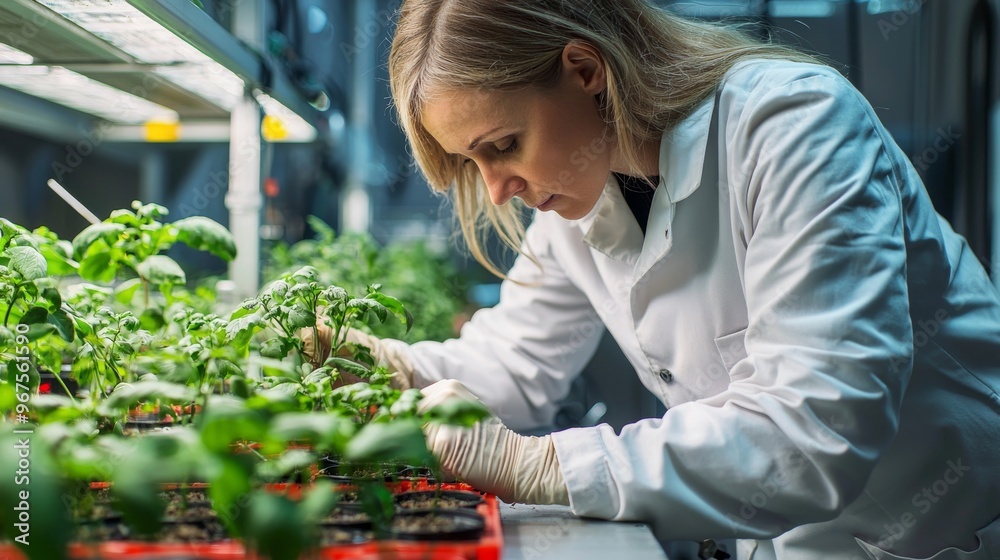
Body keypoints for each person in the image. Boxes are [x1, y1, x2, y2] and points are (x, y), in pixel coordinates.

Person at [304, 0, 1000, 558]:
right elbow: (515, 363)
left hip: (941, 534)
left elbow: (816, 426)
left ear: (585, 69)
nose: (493, 191)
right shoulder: (580, 194)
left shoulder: (793, 125)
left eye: (503, 146)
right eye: (470, 162)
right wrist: (390, 370)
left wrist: (545, 468)